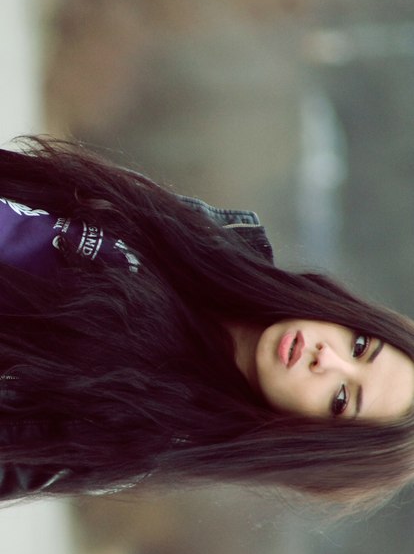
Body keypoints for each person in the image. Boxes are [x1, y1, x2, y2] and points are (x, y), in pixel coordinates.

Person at [0, 136, 413, 509]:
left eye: (340, 399)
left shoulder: (138, 432)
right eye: (360, 347)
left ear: (311, 441)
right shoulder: (212, 237)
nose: (328, 359)